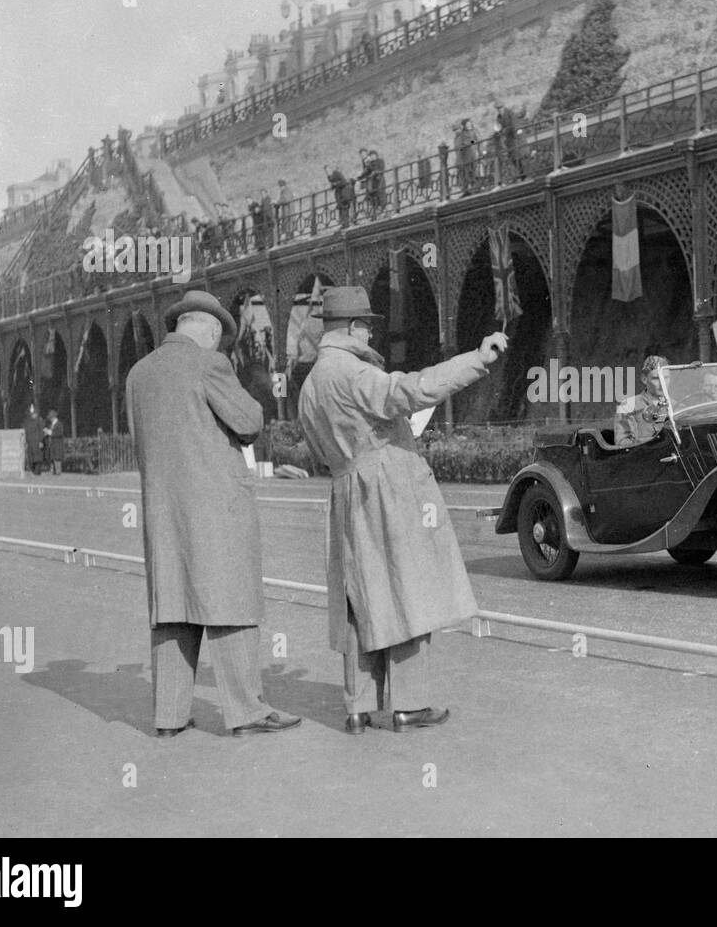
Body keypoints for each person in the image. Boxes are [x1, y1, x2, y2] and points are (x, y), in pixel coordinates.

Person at [296, 286, 508, 733]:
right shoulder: (352, 372)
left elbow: (317, 449)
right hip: (387, 488)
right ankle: (410, 704)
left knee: (359, 598)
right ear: (352, 328)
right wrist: (477, 358)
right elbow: (413, 390)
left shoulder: (311, 384)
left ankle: (357, 707)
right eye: (367, 325)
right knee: (407, 588)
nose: (372, 333)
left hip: (344, 490)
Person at [125, 290, 302, 738]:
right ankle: (246, 711)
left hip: (163, 514)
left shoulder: (138, 374)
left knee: (173, 608)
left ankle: (169, 716)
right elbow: (248, 421)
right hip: (216, 511)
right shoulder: (210, 364)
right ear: (210, 329)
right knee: (232, 605)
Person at [614, 354, 670, 447]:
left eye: (666, 378)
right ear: (644, 379)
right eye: (656, 378)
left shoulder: (678, 406)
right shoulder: (627, 406)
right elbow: (622, 443)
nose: (662, 383)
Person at [454, 119, 478, 195]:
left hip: (471, 155)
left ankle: (472, 187)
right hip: (465, 157)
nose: (457, 131)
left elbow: (474, 141)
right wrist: (472, 142)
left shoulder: (471, 132)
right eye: (456, 130)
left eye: (458, 129)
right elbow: (465, 144)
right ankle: (468, 188)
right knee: (467, 173)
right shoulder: (460, 136)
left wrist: (472, 142)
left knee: (472, 171)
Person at [22, 403, 45, 475]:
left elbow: (41, 431)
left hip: (37, 442)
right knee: (31, 458)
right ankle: (33, 470)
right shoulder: (28, 422)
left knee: (37, 458)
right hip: (30, 442)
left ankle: (37, 471)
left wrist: (41, 441)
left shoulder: (39, 421)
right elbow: (26, 431)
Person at [42, 409, 65, 475]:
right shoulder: (51, 425)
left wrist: (49, 432)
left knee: (57, 459)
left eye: (51, 418)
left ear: (54, 417)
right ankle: (53, 472)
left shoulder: (59, 424)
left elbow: (59, 433)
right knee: (52, 458)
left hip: (57, 445)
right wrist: (46, 433)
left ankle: (58, 472)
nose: (50, 419)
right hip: (52, 445)